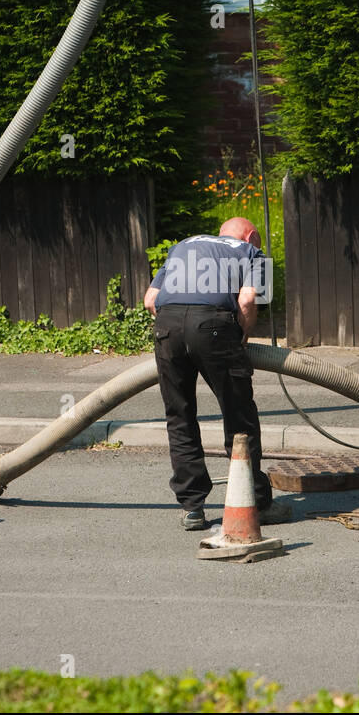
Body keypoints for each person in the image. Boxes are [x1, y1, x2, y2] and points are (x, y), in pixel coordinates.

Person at [143, 217, 291, 530]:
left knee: (179, 415)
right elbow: (248, 299)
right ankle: (258, 503)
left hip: (166, 326)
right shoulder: (253, 254)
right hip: (213, 327)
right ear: (252, 237)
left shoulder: (183, 245)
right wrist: (241, 337)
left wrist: (178, 326)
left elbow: (150, 300)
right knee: (239, 416)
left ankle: (192, 507)